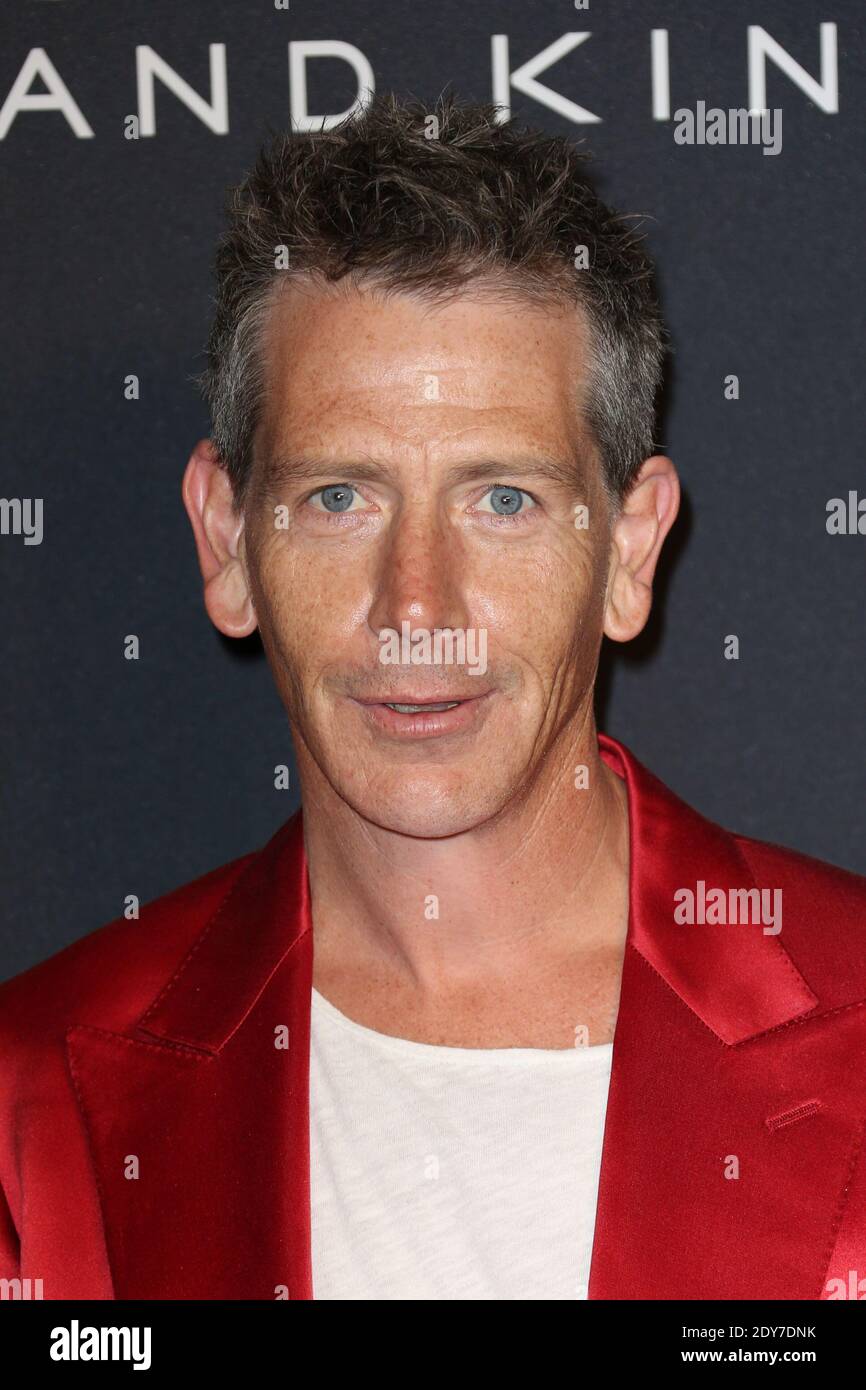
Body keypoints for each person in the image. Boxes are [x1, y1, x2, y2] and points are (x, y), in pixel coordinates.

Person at [1, 92, 864, 1302]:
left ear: (626, 550)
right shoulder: (30, 1105)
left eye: (501, 498)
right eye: (340, 496)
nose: (417, 603)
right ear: (225, 541)